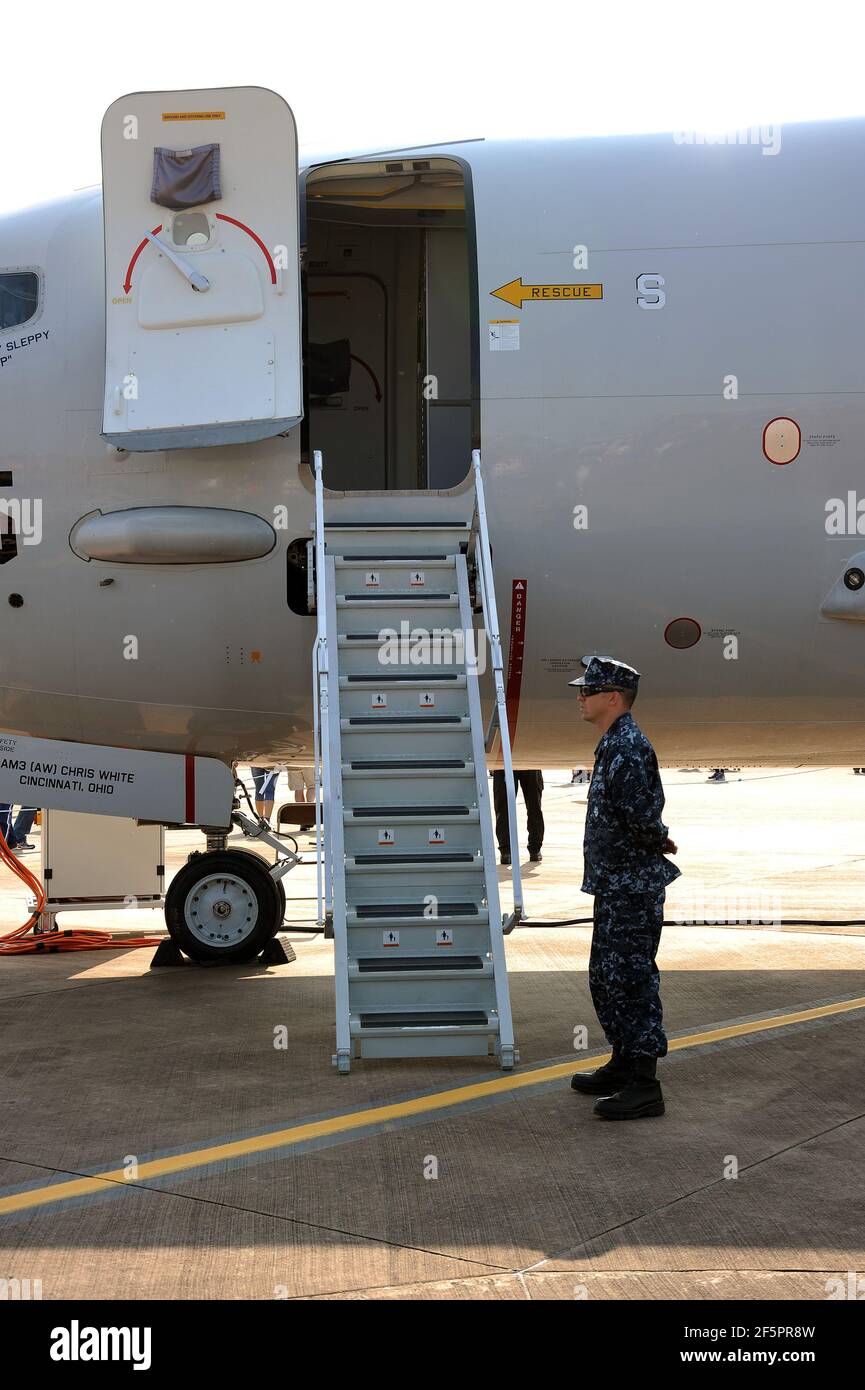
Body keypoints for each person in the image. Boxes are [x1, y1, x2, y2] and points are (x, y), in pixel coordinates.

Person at [568, 655, 680, 1120]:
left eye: (588, 691)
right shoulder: (613, 742)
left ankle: (644, 1082)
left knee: (631, 980)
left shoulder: (627, 746)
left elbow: (639, 817)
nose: (581, 698)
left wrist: (657, 840)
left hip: (632, 886)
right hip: (616, 884)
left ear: (612, 697)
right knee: (607, 977)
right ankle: (622, 1061)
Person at [492, 769, 544, 864]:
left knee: (504, 807)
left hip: (505, 760)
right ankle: (534, 849)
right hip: (527, 759)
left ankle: (506, 851)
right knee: (533, 805)